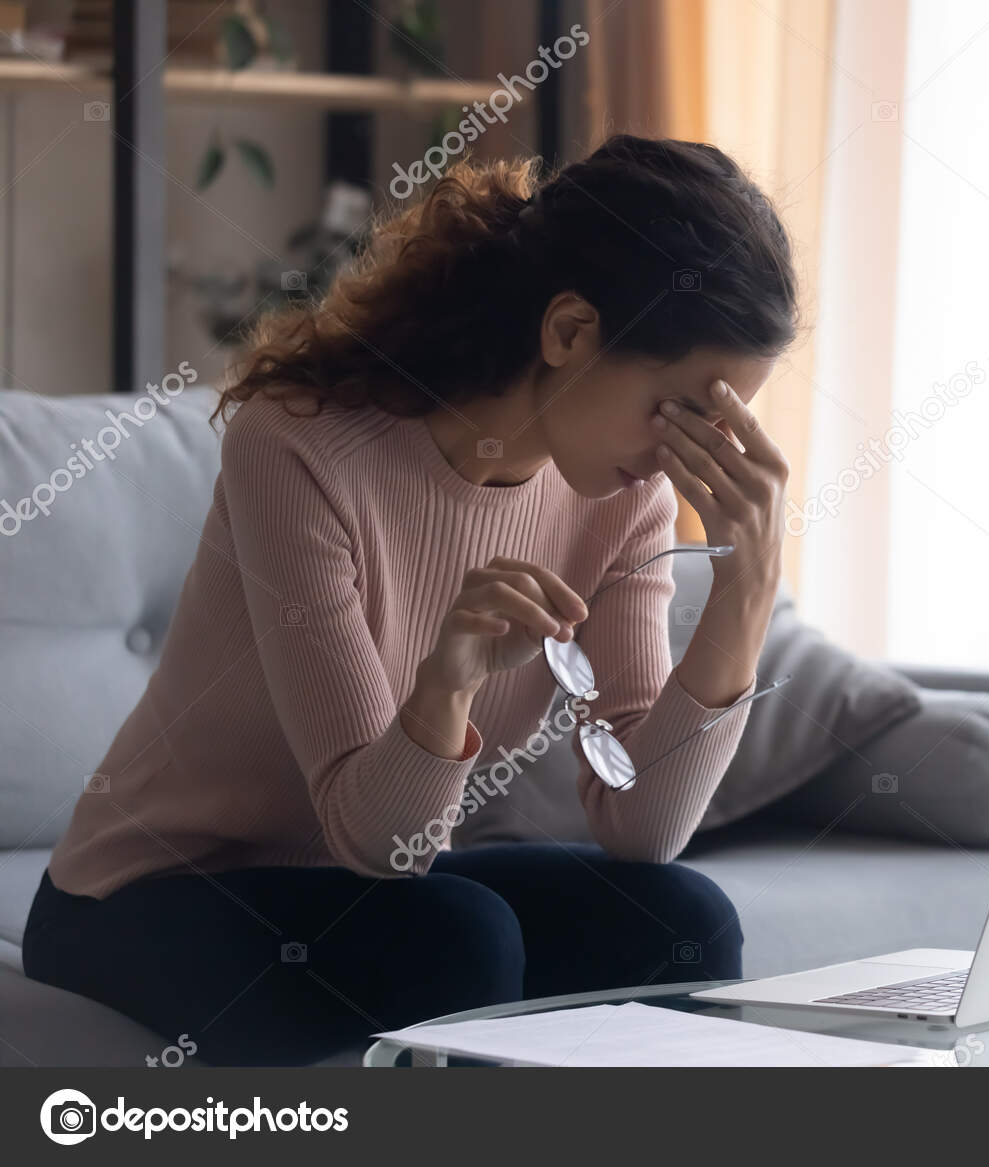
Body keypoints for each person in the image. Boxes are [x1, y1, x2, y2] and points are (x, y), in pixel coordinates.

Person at [24, 135, 798, 1065]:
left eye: (724, 419)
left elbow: (643, 826)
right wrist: (447, 682)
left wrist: (745, 593)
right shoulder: (302, 450)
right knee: (457, 939)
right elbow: (376, 840)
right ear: (567, 333)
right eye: (680, 406)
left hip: (377, 885)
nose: (693, 449)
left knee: (680, 921)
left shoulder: (625, 497)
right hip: (150, 888)